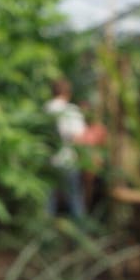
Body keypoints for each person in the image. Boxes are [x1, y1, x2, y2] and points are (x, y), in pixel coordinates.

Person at [45, 78, 87, 219]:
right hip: (67, 161)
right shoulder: (71, 110)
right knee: (74, 197)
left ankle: (44, 234)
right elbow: (79, 138)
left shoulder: (45, 109)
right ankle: (80, 235)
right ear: (68, 93)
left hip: (48, 160)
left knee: (49, 200)